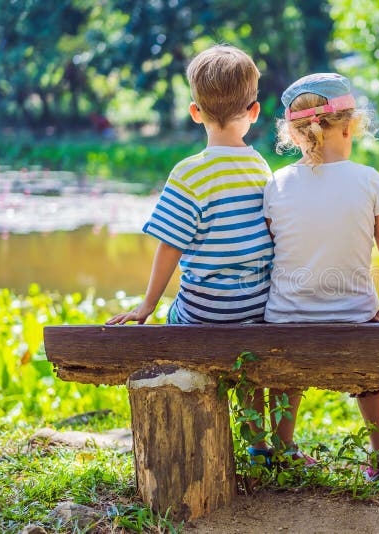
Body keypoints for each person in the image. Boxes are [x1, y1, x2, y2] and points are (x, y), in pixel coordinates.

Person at [105, 45, 296, 461]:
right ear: (255, 111)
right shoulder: (261, 168)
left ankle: (246, 441)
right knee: (249, 356)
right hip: (256, 308)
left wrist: (147, 304)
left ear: (195, 112)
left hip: (204, 312)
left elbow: (170, 245)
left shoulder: (189, 172)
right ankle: (260, 445)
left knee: (182, 312)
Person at [263, 73, 379, 482]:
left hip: (287, 321)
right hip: (355, 320)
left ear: (294, 134)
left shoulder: (277, 183)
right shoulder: (369, 180)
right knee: (372, 376)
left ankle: (285, 447)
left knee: (283, 377)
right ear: (349, 126)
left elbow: (277, 245)